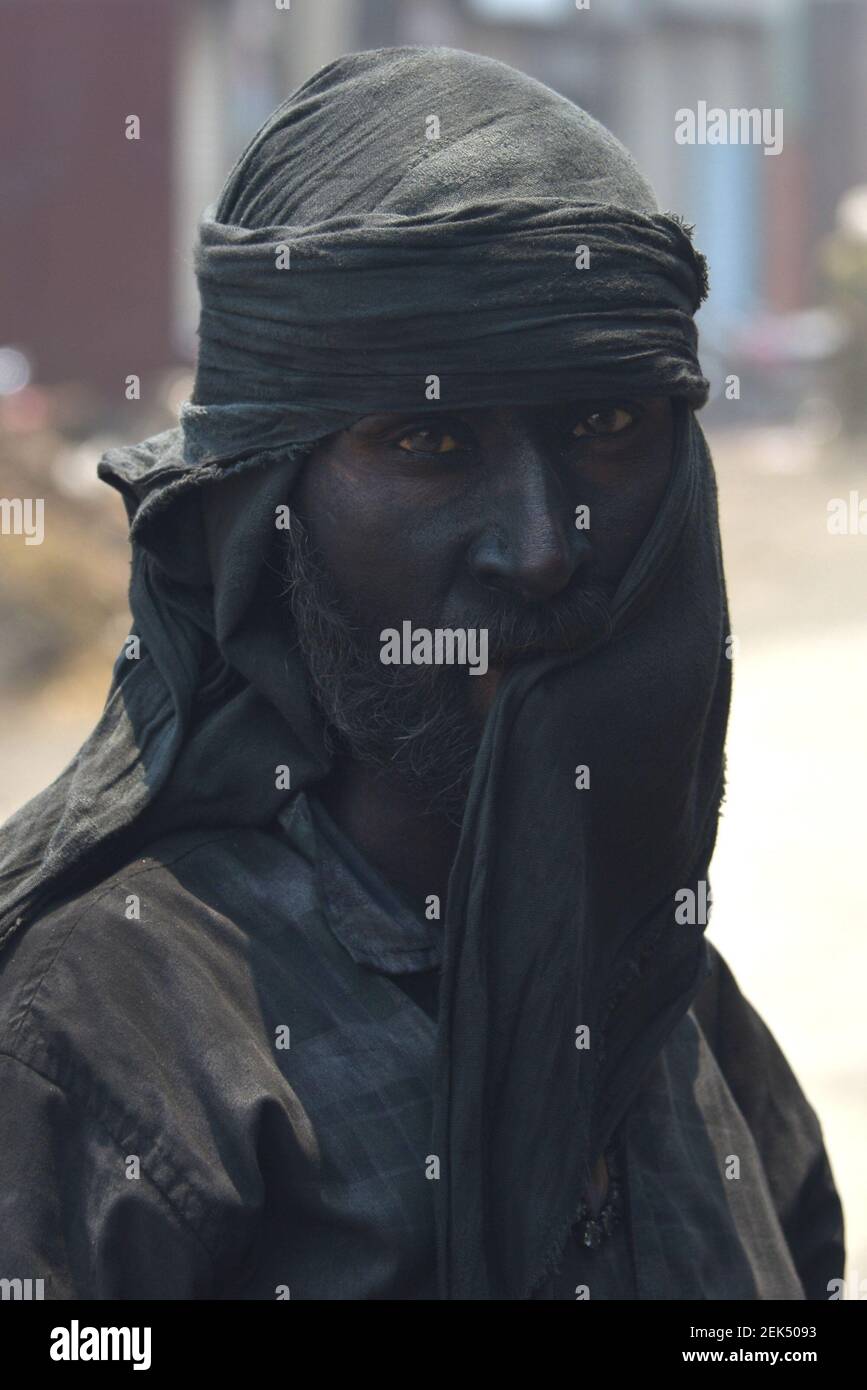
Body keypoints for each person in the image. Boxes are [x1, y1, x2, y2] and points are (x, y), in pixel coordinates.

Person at [0, 46, 843, 1301]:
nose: (546, 548)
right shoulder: (111, 1052)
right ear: (264, 506)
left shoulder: (675, 1000)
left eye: (605, 426)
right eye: (433, 442)